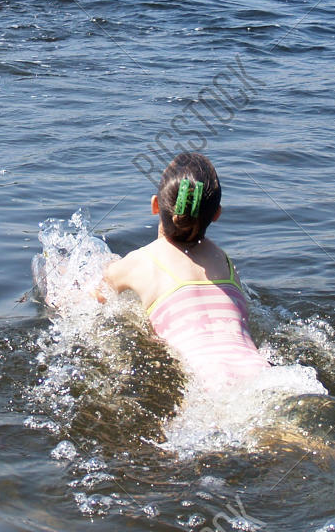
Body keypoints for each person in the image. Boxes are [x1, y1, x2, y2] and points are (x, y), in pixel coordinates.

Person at [100, 152, 270, 391]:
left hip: (208, 380)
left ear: (155, 205)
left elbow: (95, 294)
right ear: (217, 214)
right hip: (263, 373)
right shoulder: (224, 260)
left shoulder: (140, 261)